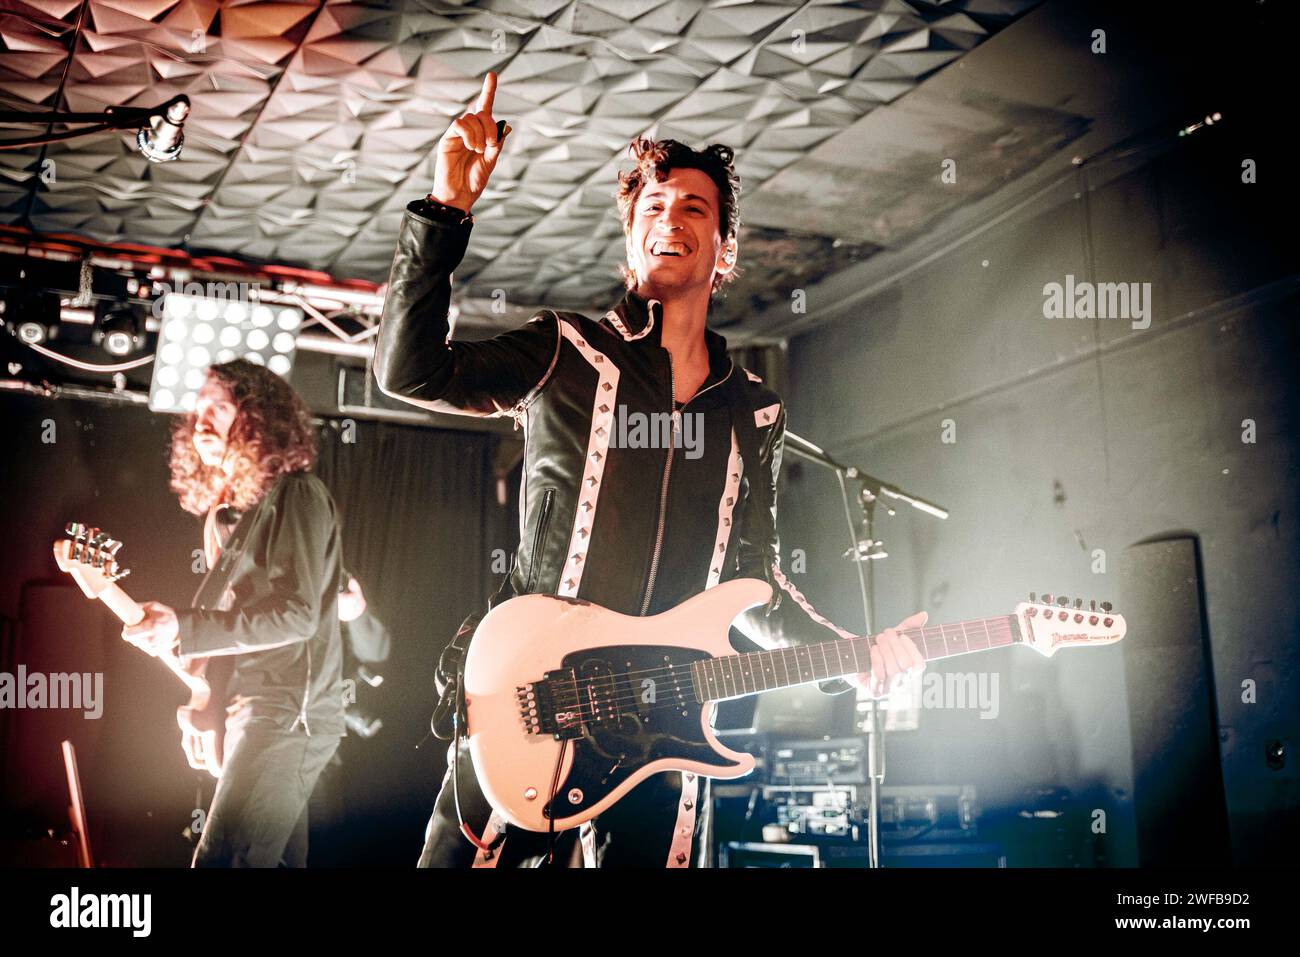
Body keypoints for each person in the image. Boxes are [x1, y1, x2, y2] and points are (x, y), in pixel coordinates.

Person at [374, 71, 927, 868]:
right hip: (529, 696)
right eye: (652, 207)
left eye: (693, 208)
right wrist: (445, 209)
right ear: (631, 235)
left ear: (724, 248)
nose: (670, 218)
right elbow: (412, 371)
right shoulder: (566, 349)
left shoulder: (755, 412)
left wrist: (854, 656)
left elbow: (755, 579)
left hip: (664, 726)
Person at [121, 359, 345, 867]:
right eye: (198, 410)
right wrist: (206, 704)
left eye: (219, 409)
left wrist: (184, 625)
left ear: (258, 421)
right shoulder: (231, 516)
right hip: (258, 709)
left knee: (223, 859)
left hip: (289, 714)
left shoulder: (297, 493)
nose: (200, 422)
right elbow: (238, 633)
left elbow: (296, 616)